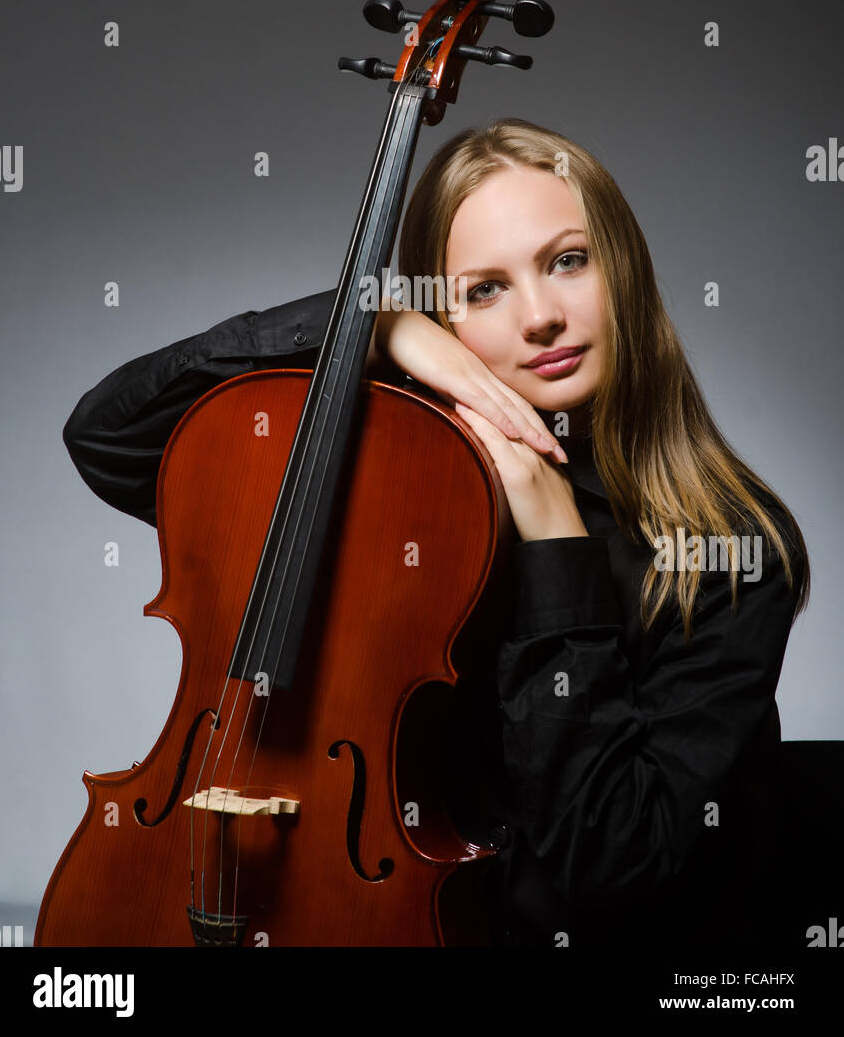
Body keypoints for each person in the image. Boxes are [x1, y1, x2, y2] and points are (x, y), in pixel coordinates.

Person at [61, 117, 810, 948]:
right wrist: (362, 325)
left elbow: (612, 865)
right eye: (482, 289)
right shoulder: (388, 482)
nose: (538, 318)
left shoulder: (726, 548)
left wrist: (558, 544)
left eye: (567, 261)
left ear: (621, 268)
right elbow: (107, 436)